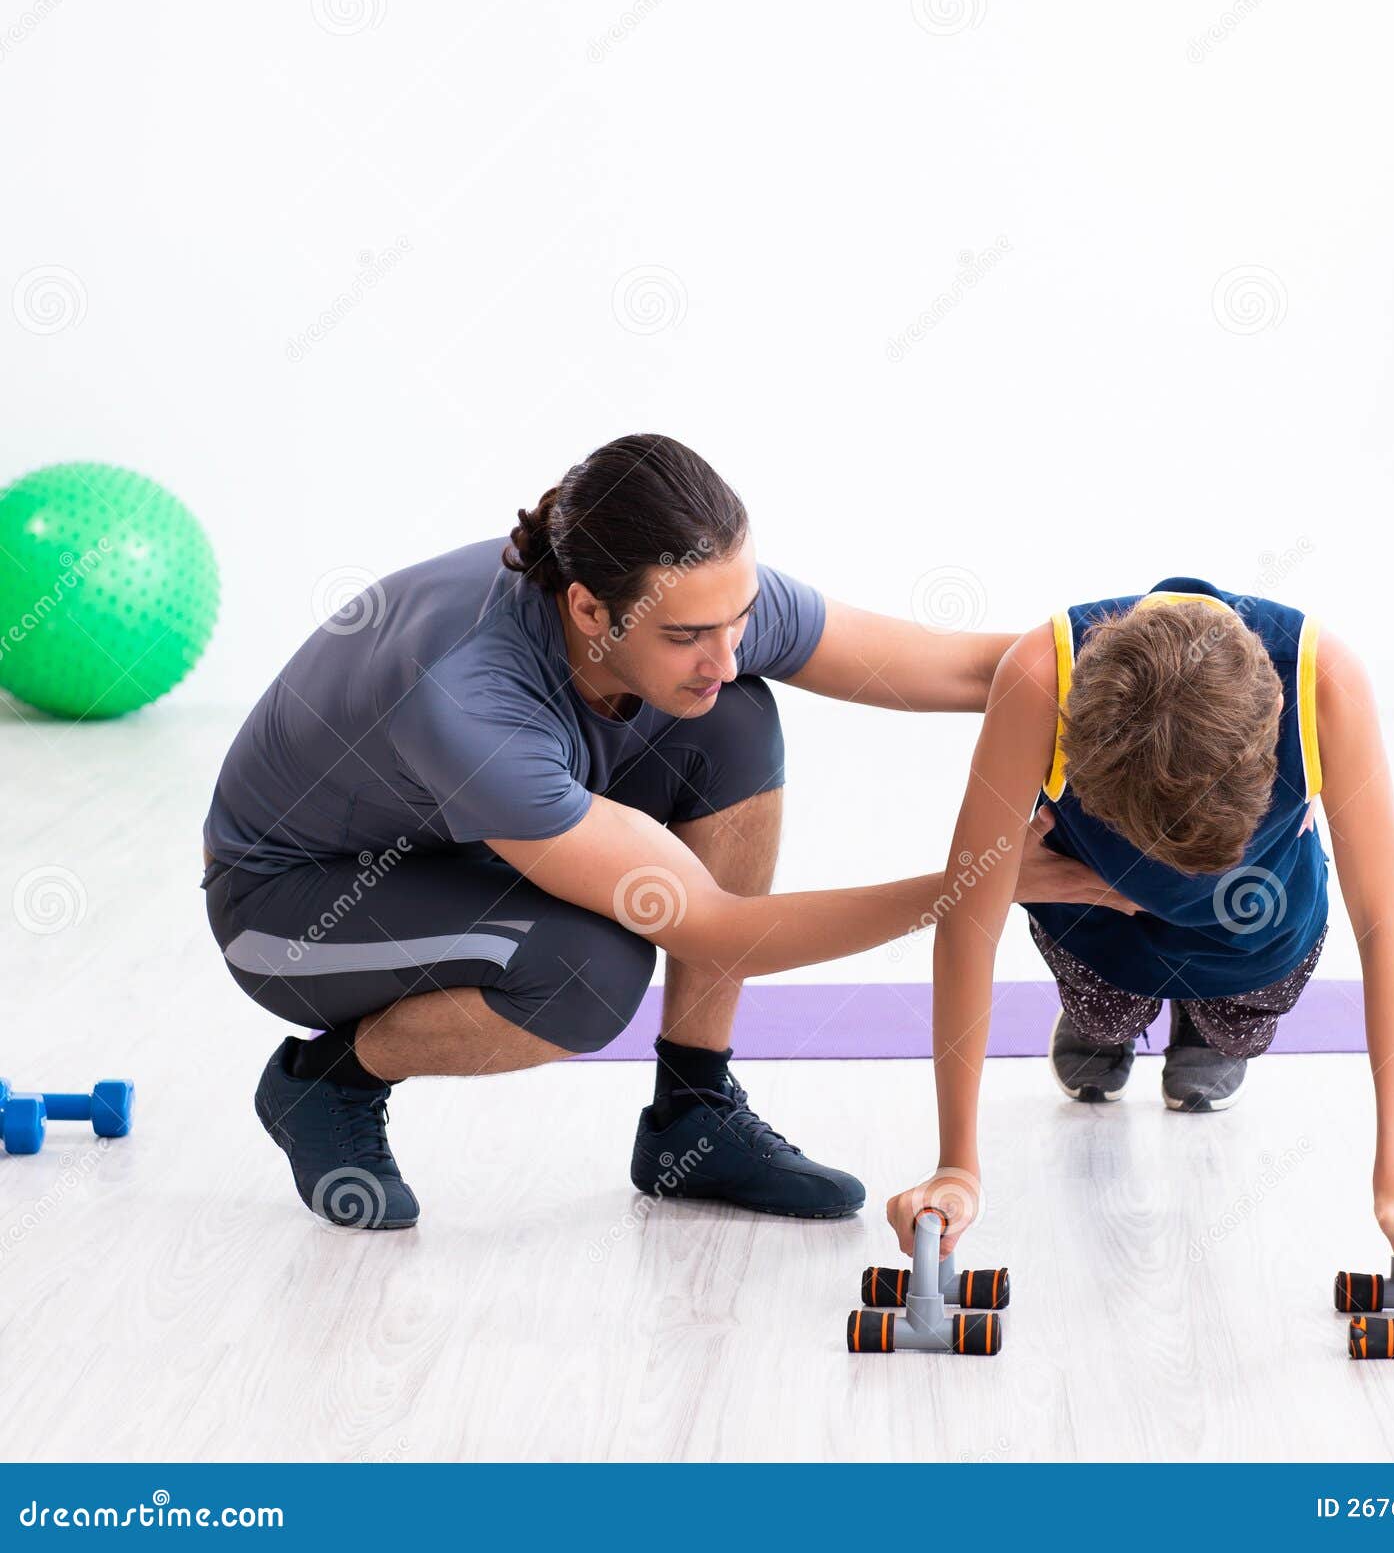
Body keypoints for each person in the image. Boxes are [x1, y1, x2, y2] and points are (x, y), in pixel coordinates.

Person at [200, 433, 1093, 1229]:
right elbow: (710, 924)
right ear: (589, 609)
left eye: (740, 616)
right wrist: (983, 881)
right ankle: (328, 1083)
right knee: (589, 974)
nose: (728, 649)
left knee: (733, 717)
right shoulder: (469, 703)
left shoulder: (695, 597)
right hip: (291, 904)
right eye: (691, 635)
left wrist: (1131, 654)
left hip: (454, 831)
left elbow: (975, 668)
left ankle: (692, 1113)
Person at [886, 578, 1394, 1272]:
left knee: (1231, 1030)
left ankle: (1209, 1027)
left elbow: (1390, 916)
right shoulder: (1040, 678)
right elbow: (968, 918)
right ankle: (1106, 1021)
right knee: (1103, 1015)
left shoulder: (1322, 681)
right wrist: (958, 1165)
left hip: (1257, 926)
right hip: (1097, 913)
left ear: (1276, 709)